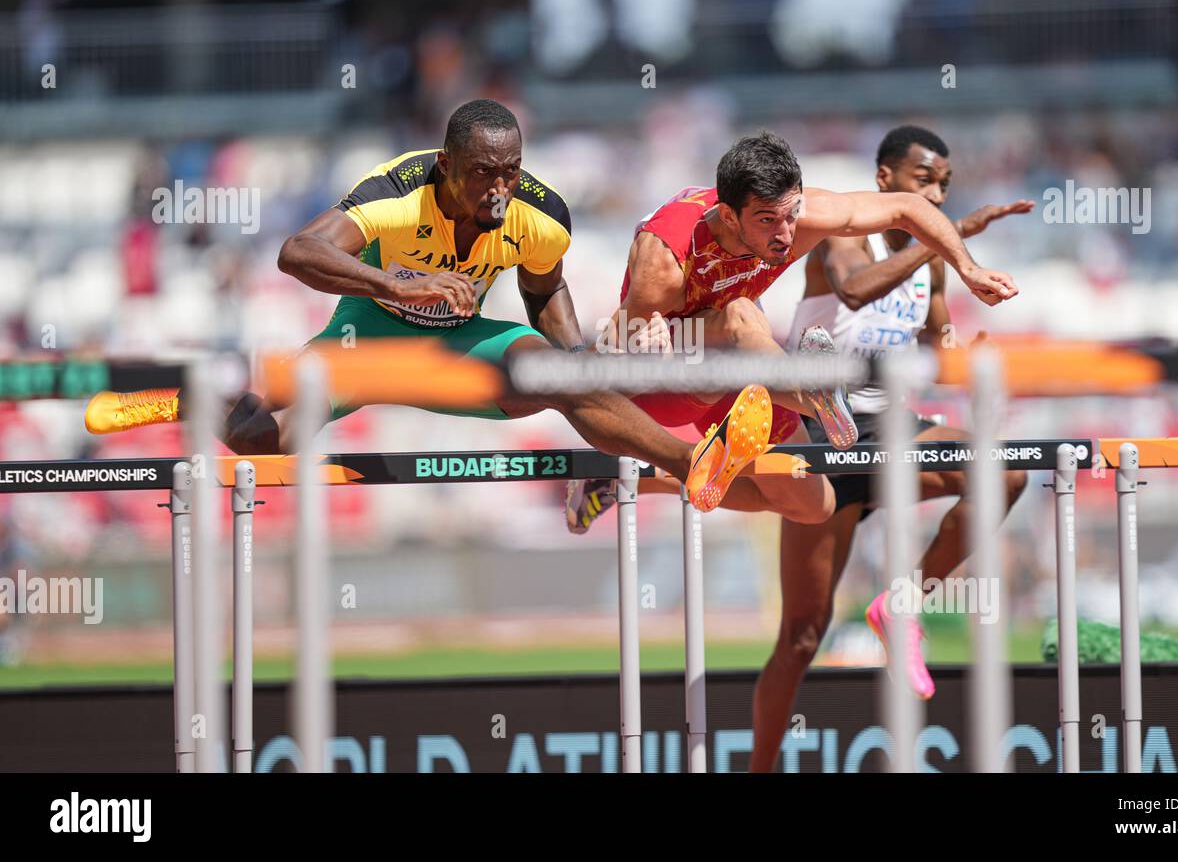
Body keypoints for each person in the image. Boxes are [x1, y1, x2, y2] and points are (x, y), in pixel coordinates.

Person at [84, 99, 752, 502]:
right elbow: (297, 252)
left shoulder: (540, 216)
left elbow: (543, 287)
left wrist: (576, 355)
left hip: (455, 346)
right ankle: (190, 397)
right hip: (364, 341)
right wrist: (398, 283)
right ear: (446, 167)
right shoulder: (397, 192)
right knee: (260, 441)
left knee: (563, 375)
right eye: (483, 175)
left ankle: (692, 464)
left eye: (511, 173)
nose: (499, 191)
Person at [749, 124, 1034, 772]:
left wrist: (969, 362)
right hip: (818, 432)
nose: (934, 192)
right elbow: (854, 291)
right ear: (885, 181)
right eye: (923, 181)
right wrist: (944, 231)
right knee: (801, 637)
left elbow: (938, 347)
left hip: (891, 428)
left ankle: (902, 604)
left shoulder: (932, 257)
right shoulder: (841, 234)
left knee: (1006, 474)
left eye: (943, 185)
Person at [566, 129, 1018, 531]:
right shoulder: (665, 258)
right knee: (743, 311)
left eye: (791, 214)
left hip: (745, 372)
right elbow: (610, 360)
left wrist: (968, 268)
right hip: (668, 379)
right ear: (728, 217)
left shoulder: (803, 217)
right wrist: (646, 338)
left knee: (811, 505)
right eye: (767, 221)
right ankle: (814, 394)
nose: (785, 235)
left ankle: (648, 480)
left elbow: (907, 206)